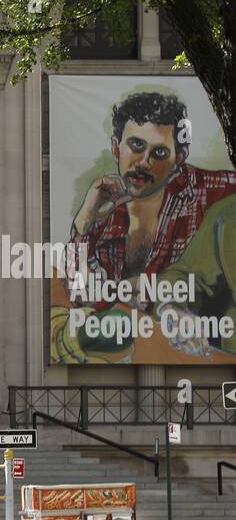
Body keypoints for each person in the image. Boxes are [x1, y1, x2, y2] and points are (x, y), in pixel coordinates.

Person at [53, 90, 236, 363]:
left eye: (159, 152)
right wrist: (84, 223)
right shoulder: (106, 211)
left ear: (179, 157)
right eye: (136, 146)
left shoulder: (211, 191)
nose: (143, 162)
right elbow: (83, 296)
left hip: (206, 360)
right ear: (117, 147)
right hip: (135, 358)